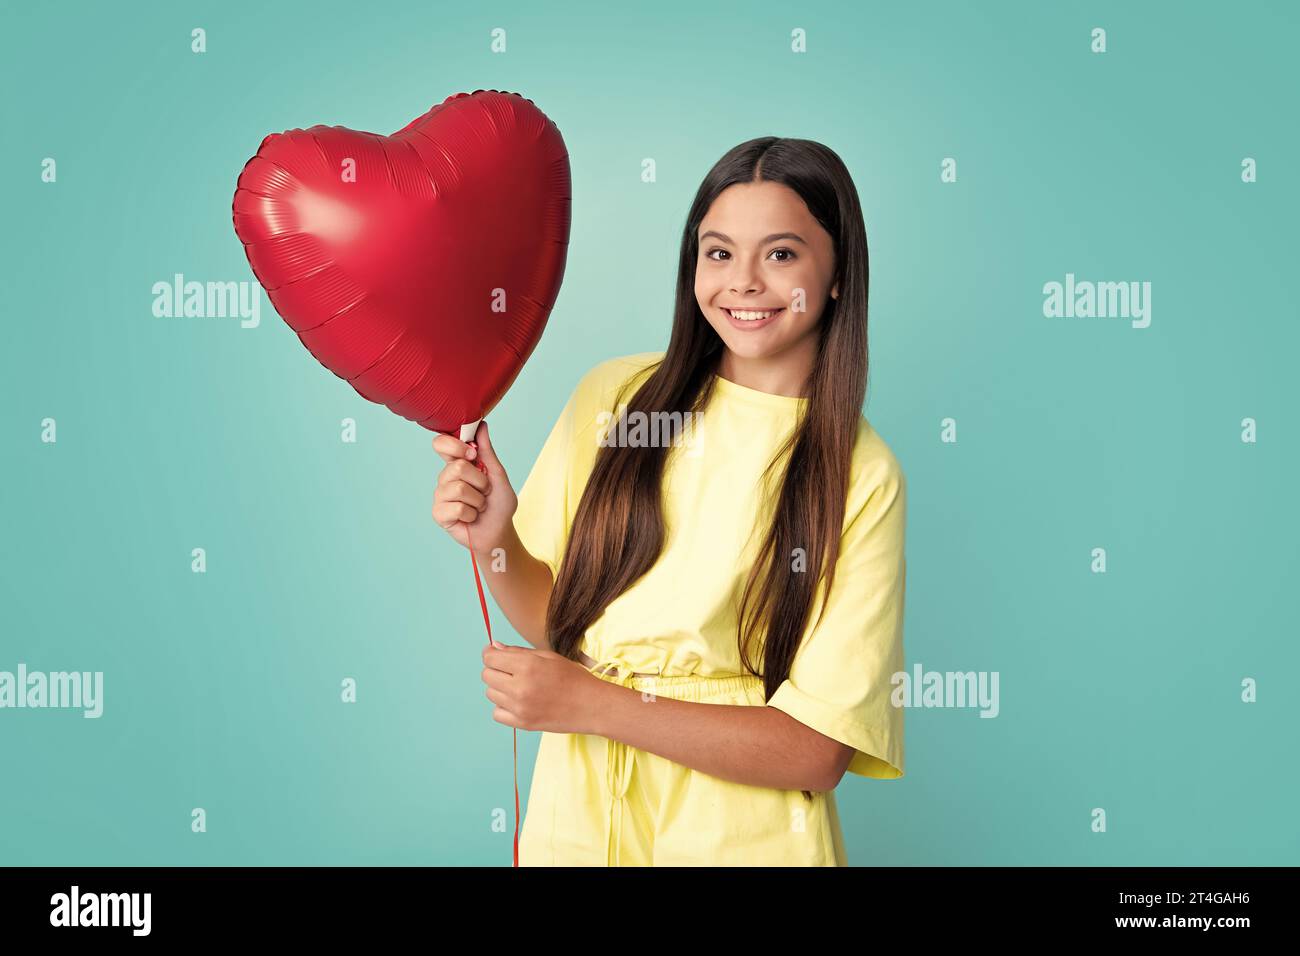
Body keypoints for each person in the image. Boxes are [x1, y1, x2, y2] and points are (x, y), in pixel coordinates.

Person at [432, 136, 906, 866]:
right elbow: (566, 628)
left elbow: (816, 752)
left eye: (781, 254)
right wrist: (496, 540)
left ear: (839, 272)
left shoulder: (861, 474)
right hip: (578, 827)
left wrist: (593, 705)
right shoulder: (616, 398)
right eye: (719, 253)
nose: (743, 282)